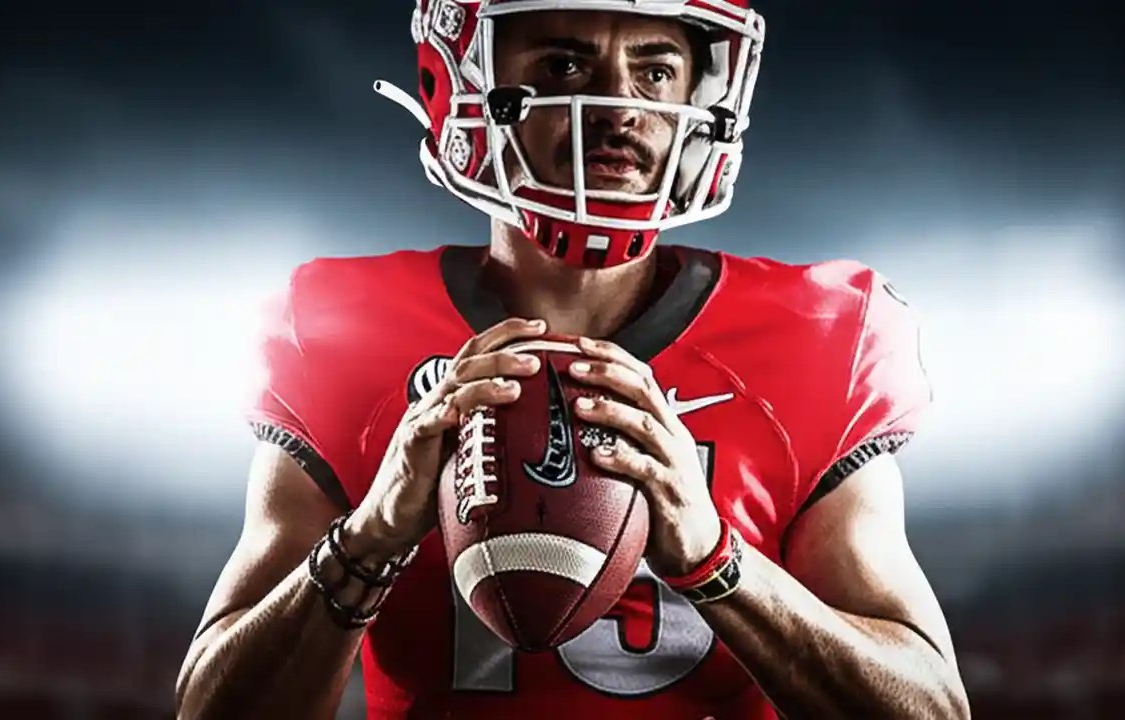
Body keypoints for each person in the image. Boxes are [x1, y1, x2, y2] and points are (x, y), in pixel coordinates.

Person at [175, 2, 970, 718]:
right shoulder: (338, 330)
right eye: (563, 66)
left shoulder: (816, 334)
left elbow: (933, 711)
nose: (622, 106)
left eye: (656, 69)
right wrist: (372, 537)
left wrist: (715, 560)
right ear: (466, 90)